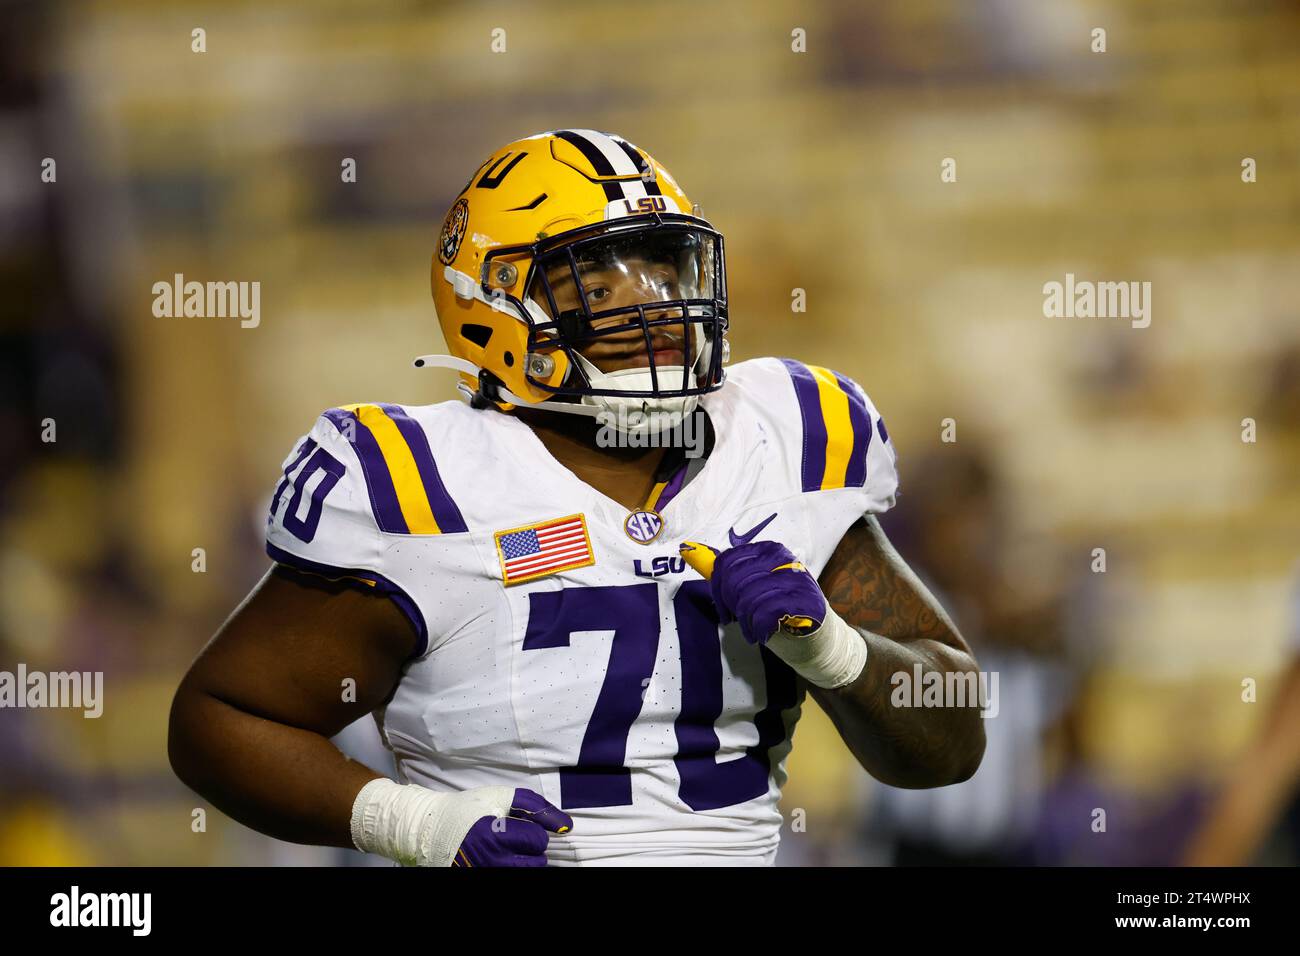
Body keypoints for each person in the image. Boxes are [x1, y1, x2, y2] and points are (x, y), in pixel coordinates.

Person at [168, 129, 985, 867]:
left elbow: (952, 742)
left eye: (664, 264)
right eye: (598, 281)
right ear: (492, 305)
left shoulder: (782, 438)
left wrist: (834, 653)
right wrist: (414, 824)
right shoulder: (425, 483)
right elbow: (219, 720)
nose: (656, 301)